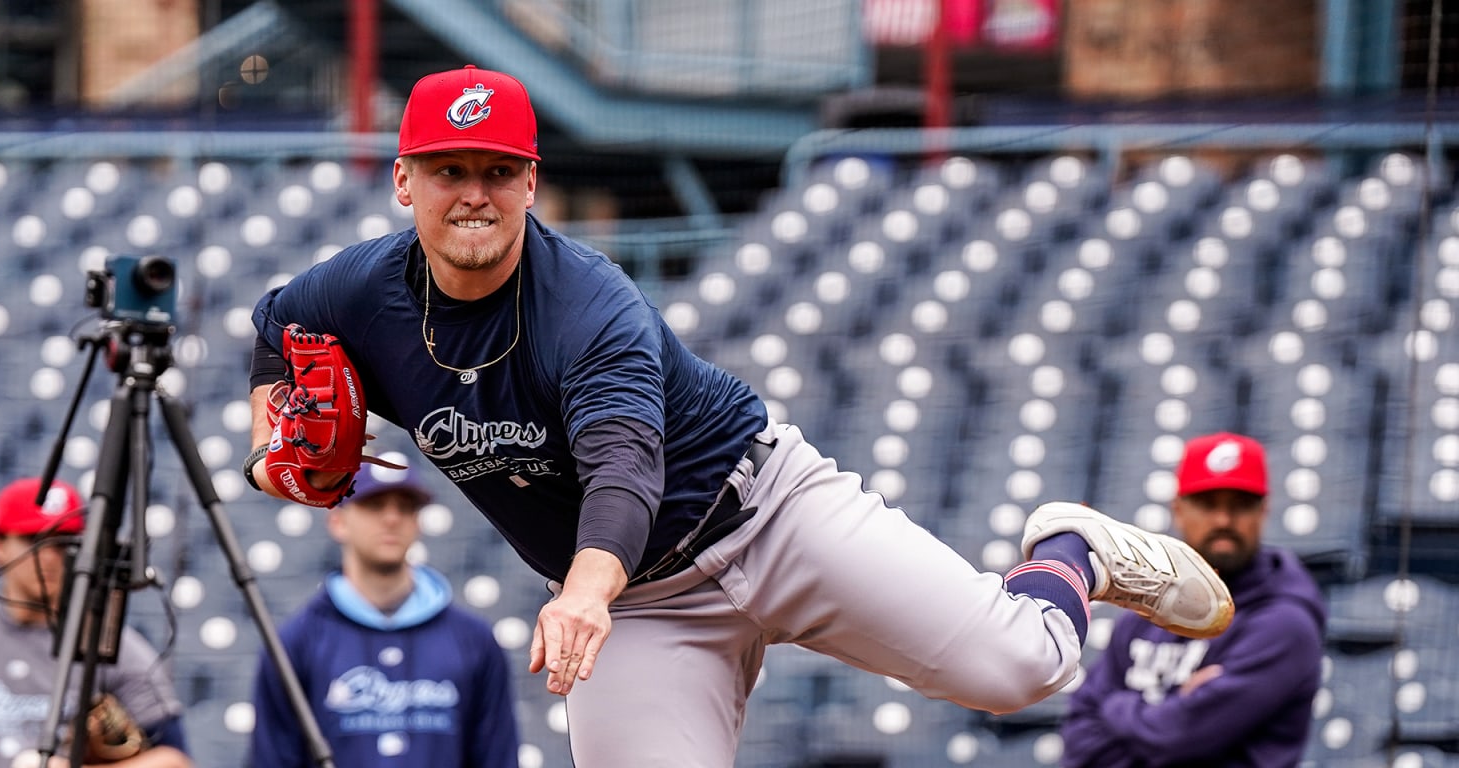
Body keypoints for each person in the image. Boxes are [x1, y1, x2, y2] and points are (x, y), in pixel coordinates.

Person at [242, 64, 1235, 765]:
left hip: (767, 517)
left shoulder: (590, 305)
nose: (475, 194)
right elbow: (271, 326)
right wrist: (262, 447)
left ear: (531, 183)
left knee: (1022, 666)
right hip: (646, 613)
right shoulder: (355, 290)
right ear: (403, 178)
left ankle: (1072, 550)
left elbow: (626, 466)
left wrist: (583, 593)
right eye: (451, 169)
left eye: (498, 171)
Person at [1060, 432, 1327, 767]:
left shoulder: (1285, 625)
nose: (1223, 521)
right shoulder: (1140, 613)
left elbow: (1176, 737)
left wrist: (1115, 707)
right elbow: (1079, 743)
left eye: (1240, 505)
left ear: (1264, 511)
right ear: (1179, 510)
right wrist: (1172, 709)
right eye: (1207, 503)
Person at [247, 461, 520, 767]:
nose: (392, 519)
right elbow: (272, 759)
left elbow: (498, 758)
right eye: (373, 505)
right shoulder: (296, 641)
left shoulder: (474, 640)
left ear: (418, 523)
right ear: (337, 522)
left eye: (405, 508)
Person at [0, 478, 190, 768]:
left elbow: (176, 760)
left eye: (64, 543)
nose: (49, 557)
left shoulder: (109, 641)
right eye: (33, 540)